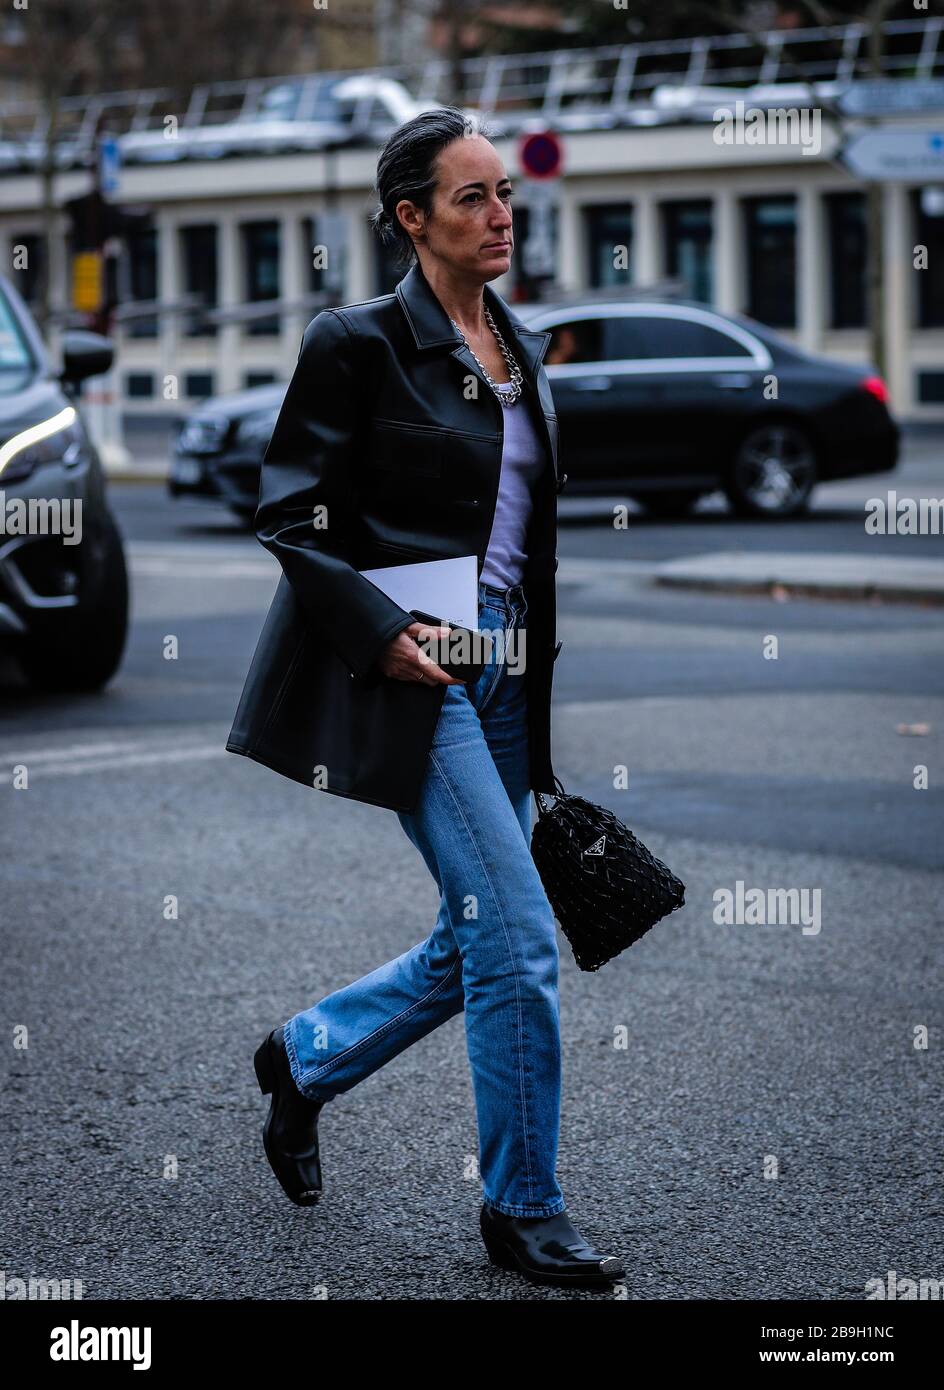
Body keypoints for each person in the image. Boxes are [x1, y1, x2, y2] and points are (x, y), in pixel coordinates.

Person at [233, 108, 624, 1289]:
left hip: (507, 675)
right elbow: (289, 515)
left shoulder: (523, 345)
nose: (499, 214)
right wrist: (384, 631)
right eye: (471, 197)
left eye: (504, 193)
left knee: (476, 940)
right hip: (422, 666)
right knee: (514, 938)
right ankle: (523, 1207)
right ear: (411, 217)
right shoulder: (356, 342)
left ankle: (303, 1060)